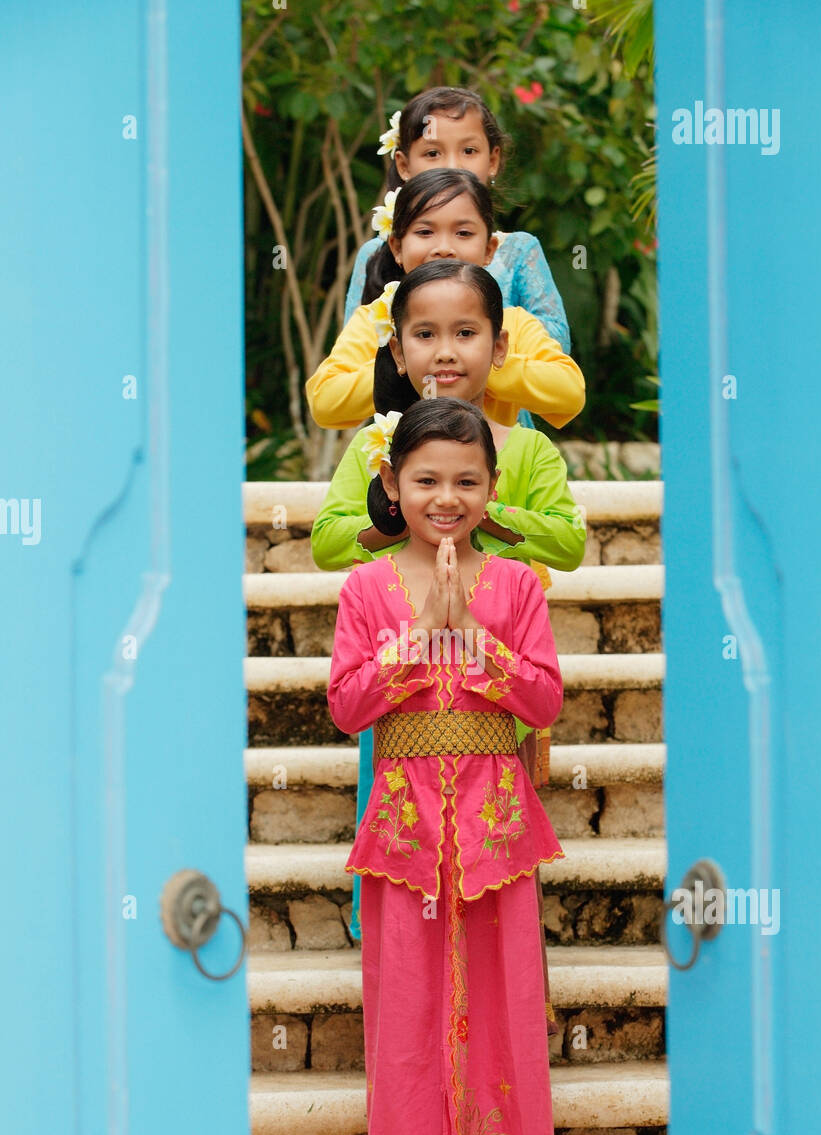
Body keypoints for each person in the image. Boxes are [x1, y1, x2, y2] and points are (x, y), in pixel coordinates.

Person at [327, 396, 565, 1135]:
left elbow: (543, 697)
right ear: (392, 482)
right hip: (404, 829)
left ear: (492, 487)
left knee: (505, 999)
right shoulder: (364, 587)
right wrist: (419, 635)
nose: (446, 497)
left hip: (496, 826)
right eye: (426, 478)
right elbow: (347, 707)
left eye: (467, 481)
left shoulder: (516, 585)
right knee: (406, 1005)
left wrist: (475, 638)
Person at [311, 261, 585, 978]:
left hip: (497, 705)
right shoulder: (374, 459)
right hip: (406, 716)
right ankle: (391, 941)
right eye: (424, 334)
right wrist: (395, 530)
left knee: (493, 874)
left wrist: (486, 522)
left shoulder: (524, 460)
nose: (444, 351)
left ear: (498, 344)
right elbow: (325, 543)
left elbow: (568, 543)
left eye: (465, 332)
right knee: (406, 861)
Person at [306, 169, 584, 433]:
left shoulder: (513, 322)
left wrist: (483, 363)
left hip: (493, 477)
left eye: (463, 233)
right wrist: (407, 365)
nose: (444, 248)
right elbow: (325, 403)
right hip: (407, 480)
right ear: (397, 248)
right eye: (425, 232)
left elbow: (569, 394)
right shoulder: (377, 321)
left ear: (489, 249)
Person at [346, 85, 570, 363]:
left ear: (493, 160)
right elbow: (351, 358)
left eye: (468, 150)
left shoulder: (518, 251)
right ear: (404, 165)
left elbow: (557, 345)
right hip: (404, 406)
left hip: (496, 405)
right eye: (432, 153)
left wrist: (481, 332)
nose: (452, 166)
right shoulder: (376, 253)